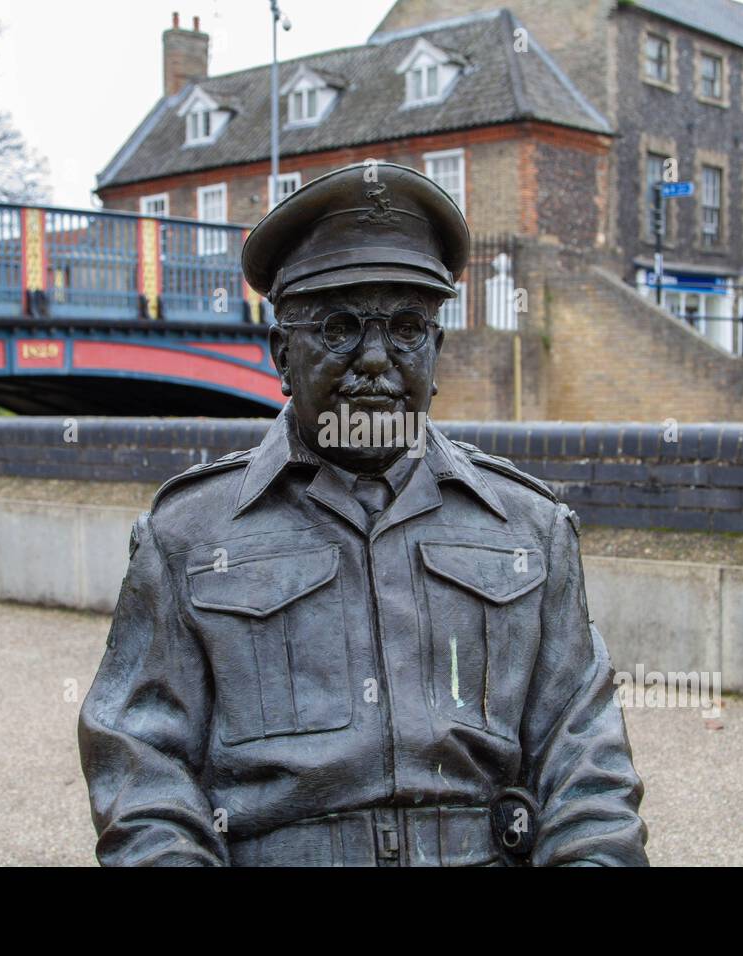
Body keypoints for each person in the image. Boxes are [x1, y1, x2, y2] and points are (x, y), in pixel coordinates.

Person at [78, 162, 648, 866]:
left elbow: (586, 768)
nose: (375, 359)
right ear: (283, 355)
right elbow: (143, 774)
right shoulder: (188, 536)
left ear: (436, 352)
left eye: (407, 327)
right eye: (339, 328)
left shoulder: (530, 529)